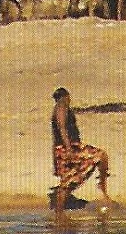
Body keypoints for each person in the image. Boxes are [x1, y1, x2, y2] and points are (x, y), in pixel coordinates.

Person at [51, 87, 112, 215]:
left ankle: (59, 214)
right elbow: (62, 128)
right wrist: (68, 149)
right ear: (66, 96)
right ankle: (59, 213)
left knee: (68, 181)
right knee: (100, 156)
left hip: (66, 147)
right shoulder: (62, 105)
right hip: (68, 148)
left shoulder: (59, 107)